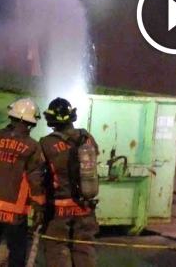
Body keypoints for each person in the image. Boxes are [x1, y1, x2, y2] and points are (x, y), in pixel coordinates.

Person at [0, 98, 47, 267]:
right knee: (17, 253)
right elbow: (35, 179)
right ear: (30, 123)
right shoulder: (32, 146)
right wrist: (39, 207)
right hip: (14, 212)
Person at [38, 97, 100, 267]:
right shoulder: (87, 138)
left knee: (57, 248)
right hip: (85, 205)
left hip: (59, 208)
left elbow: (39, 174)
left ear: (50, 119)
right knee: (84, 247)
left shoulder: (46, 143)